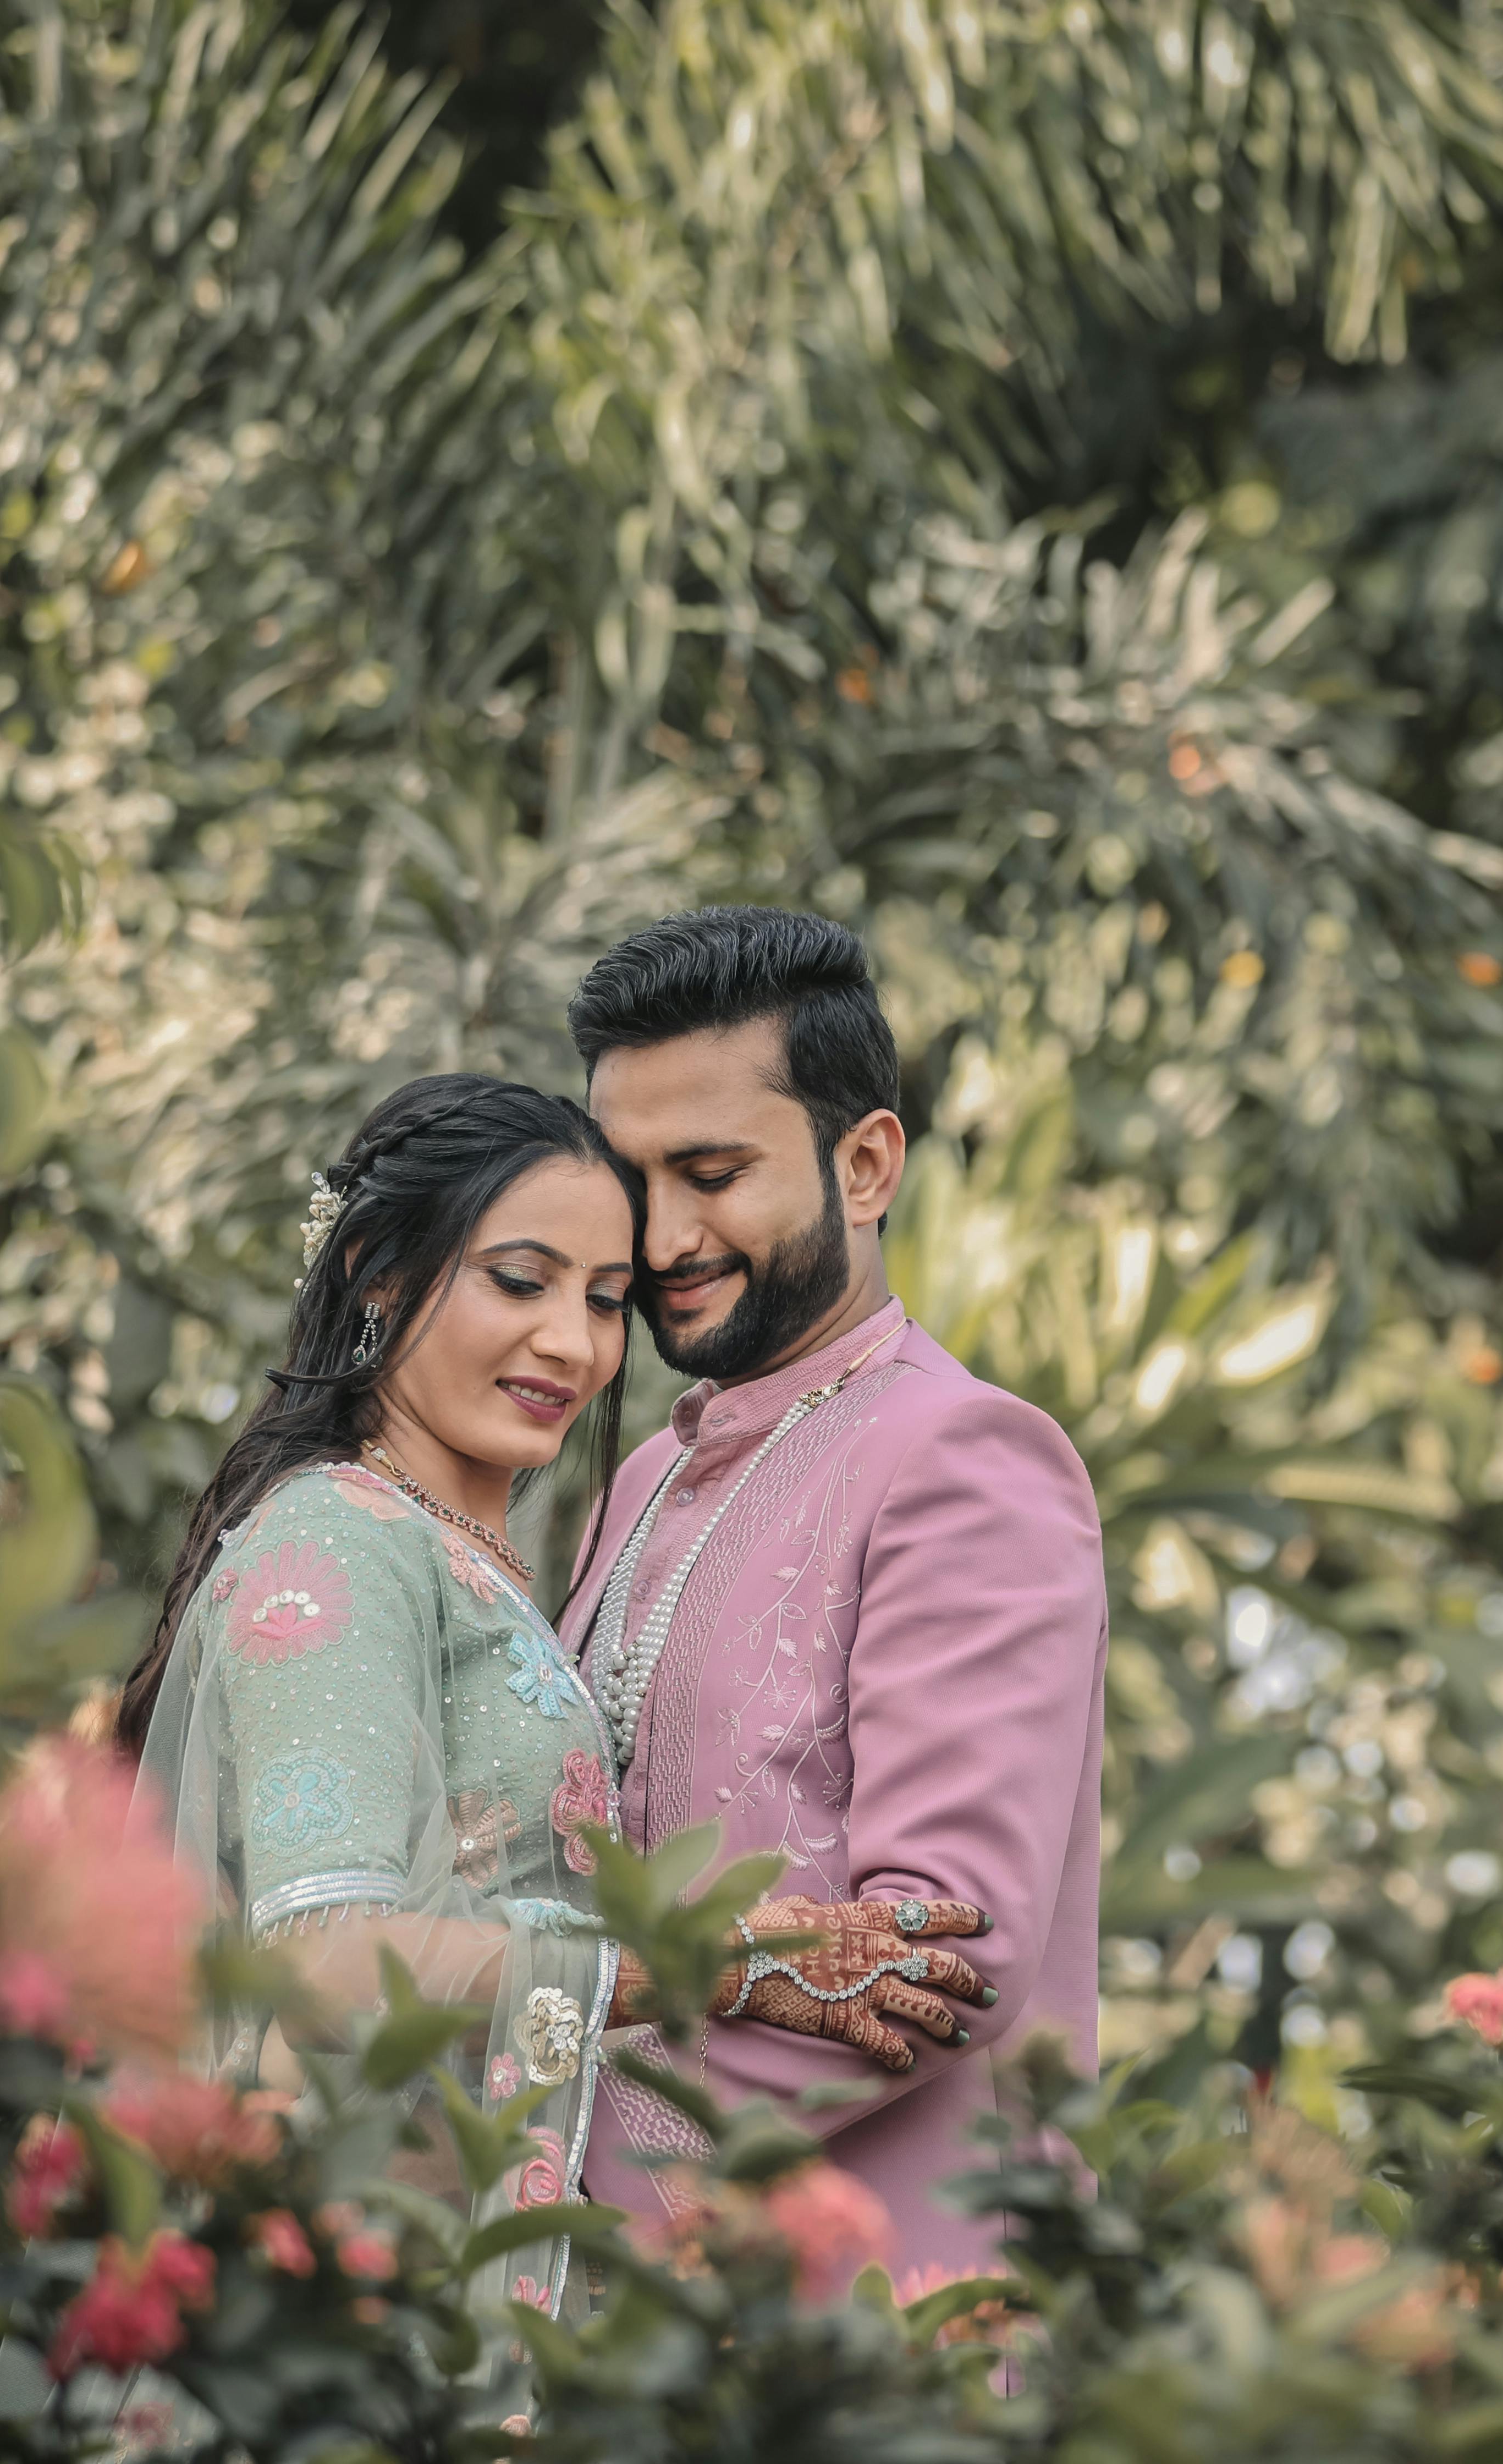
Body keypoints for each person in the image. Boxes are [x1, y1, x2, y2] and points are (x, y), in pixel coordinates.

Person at [112, 1072, 999, 2319]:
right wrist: (718, 1965)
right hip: (346, 2300)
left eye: (606, 1300)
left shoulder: (474, 1560)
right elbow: (322, 1955)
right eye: (519, 1281)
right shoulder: (334, 1540)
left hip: (465, 2265)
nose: (573, 1346)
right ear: (376, 1269)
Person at [560, 910, 1108, 2274]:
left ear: (865, 1162)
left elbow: (941, 1953)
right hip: (615, 2323)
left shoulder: (964, 1457)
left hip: (873, 2324)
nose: (663, 1233)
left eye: (713, 1170)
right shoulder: (640, 1477)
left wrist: (551, 2112)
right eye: (629, 1181)